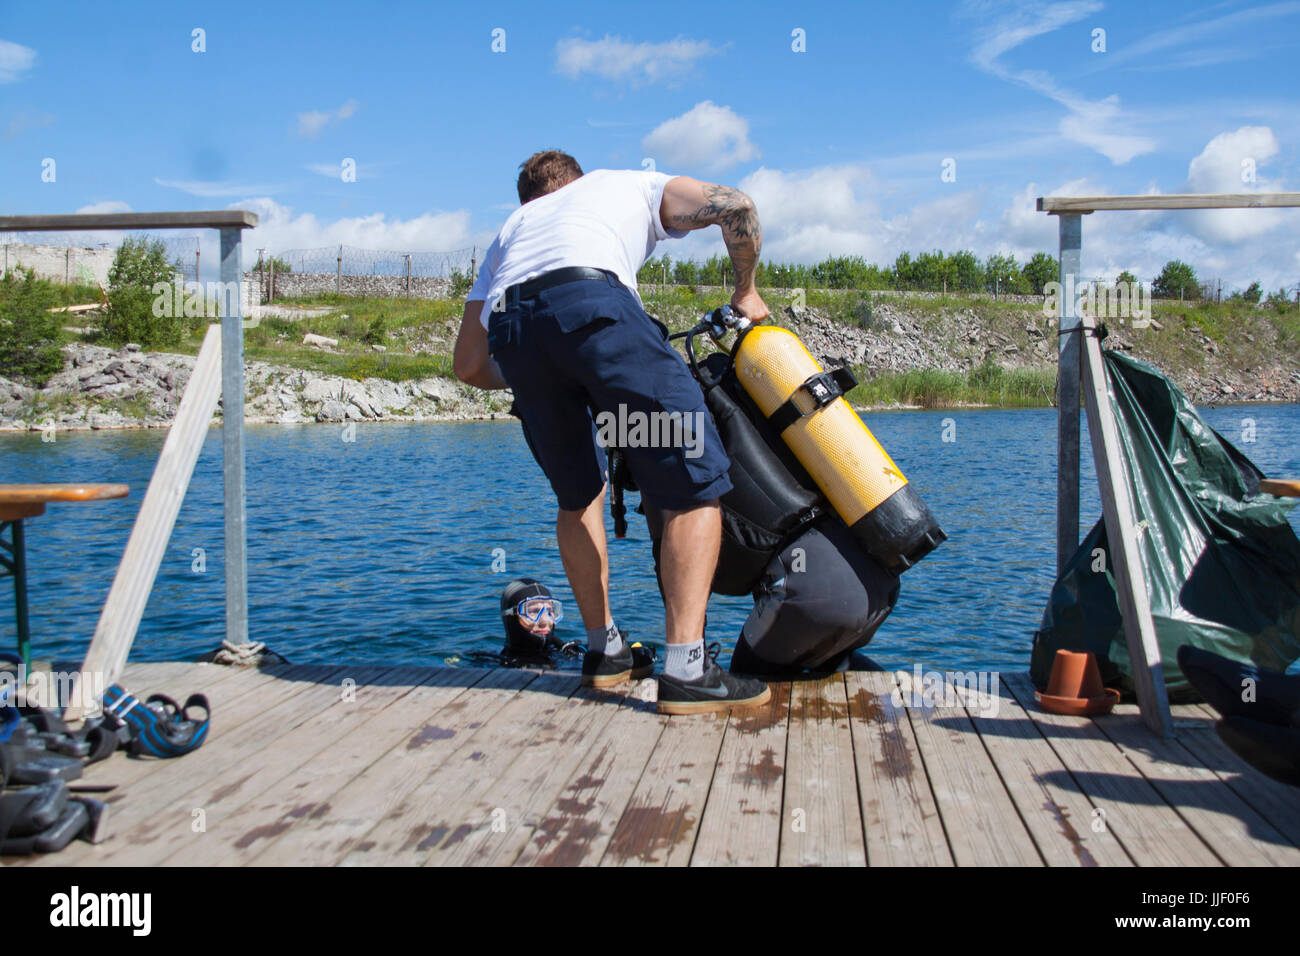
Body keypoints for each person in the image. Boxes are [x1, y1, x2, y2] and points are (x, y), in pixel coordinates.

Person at [454, 150, 771, 713]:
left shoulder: (511, 233)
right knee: (691, 479)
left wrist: (544, 371)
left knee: (579, 496)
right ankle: (687, 672)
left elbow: (470, 367)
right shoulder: (624, 184)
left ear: (529, 200)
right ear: (576, 183)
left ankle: (605, 653)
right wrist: (744, 290)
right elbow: (737, 207)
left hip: (515, 332)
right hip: (596, 307)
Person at [496, 577, 654, 678]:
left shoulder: (570, 651)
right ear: (511, 617)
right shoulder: (492, 663)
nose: (545, 620)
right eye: (534, 611)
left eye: (550, 611)